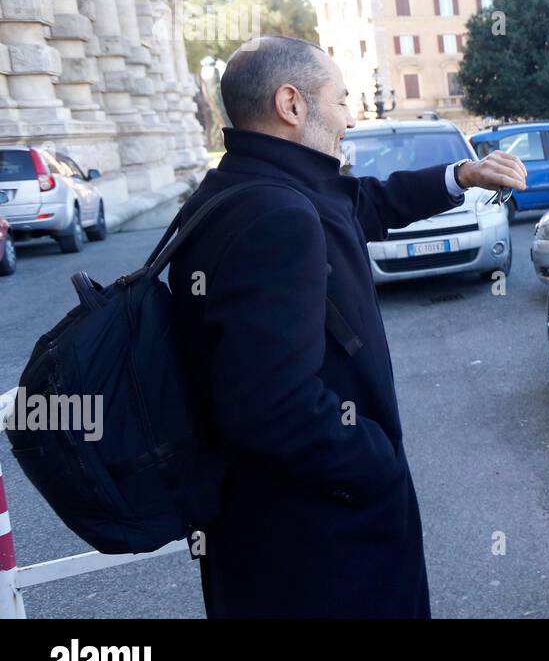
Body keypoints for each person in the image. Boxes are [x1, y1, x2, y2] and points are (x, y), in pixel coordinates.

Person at [170, 36, 525, 618]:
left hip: (278, 532)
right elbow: (271, 407)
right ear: (292, 104)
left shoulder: (257, 185)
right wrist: (375, 465)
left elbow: (359, 207)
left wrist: (461, 174)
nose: (351, 117)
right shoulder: (276, 214)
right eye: (340, 101)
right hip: (318, 547)